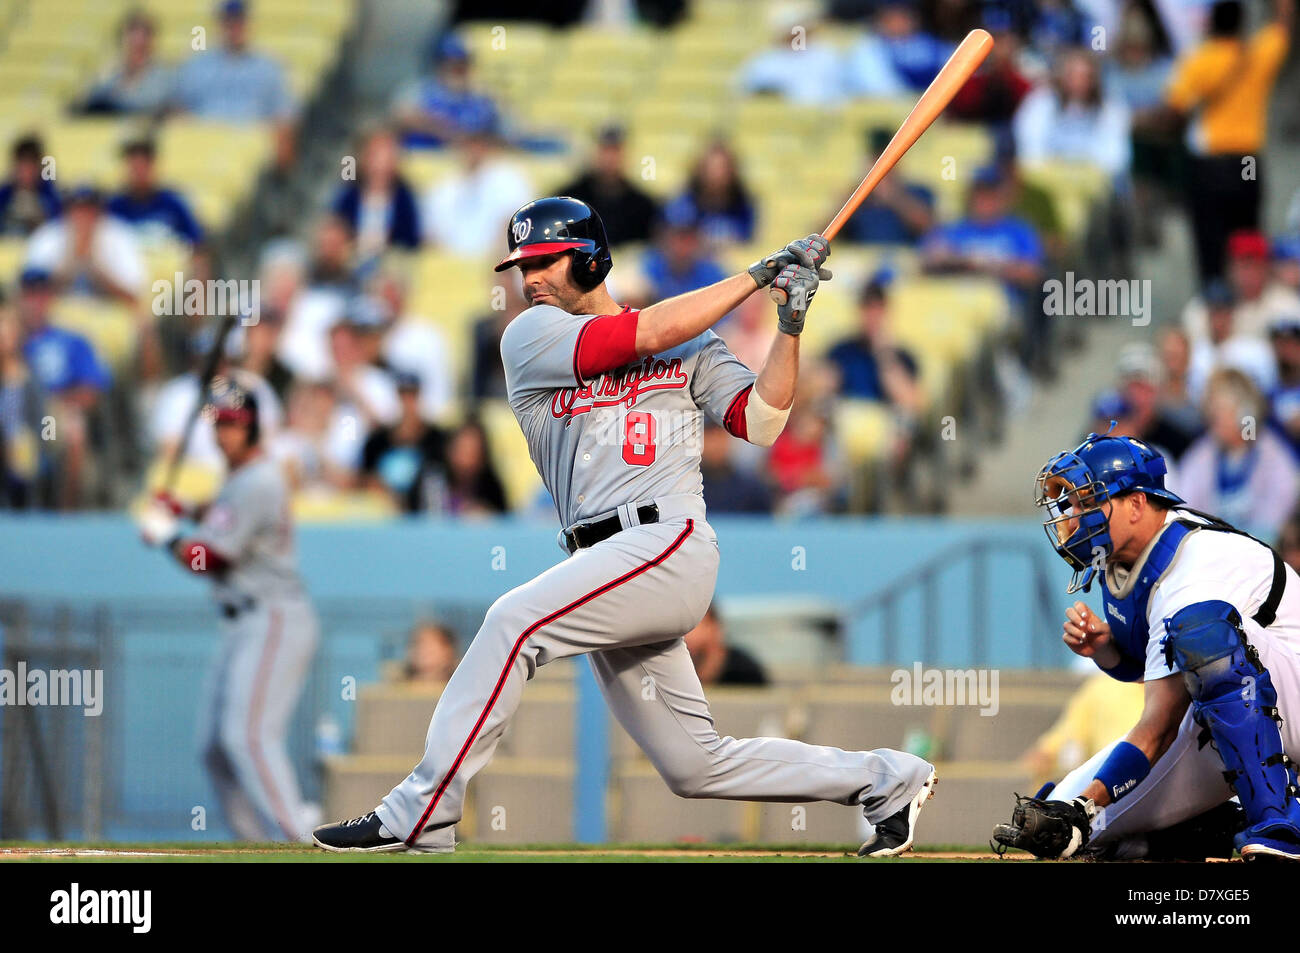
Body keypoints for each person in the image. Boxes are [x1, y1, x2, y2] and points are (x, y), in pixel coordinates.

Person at [312, 196, 936, 855]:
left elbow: (763, 420)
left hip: (666, 544)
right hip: (606, 563)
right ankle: (887, 778)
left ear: (589, 257)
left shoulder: (690, 340)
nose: (529, 279)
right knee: (697, 765)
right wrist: (755, 274)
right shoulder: (530, 335)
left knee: (512, 621)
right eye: (522, 266)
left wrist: (789, 324)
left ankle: (422, 808)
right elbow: (636, 337)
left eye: (543, 261)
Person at [993, 430, 1300, 861]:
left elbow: (1157, 726)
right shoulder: (1127, 563)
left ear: (1137, 503)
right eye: (1073, 503)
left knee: (1201, 632)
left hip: (1289, 692)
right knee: (1067, 821)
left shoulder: (1192, 563)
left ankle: (1281, 821)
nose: (1074, 515)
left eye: (1089, 500)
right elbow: (1160, 675)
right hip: (1242, 710)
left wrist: (1091, 803)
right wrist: (1109, 651)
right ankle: (1214, 824)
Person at [135, 383, 320, 843]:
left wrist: (165, 534)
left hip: (273, 616)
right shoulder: (241, 479)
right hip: (243, 620)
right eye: (219, 424)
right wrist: (181, 508)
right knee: (216, 749)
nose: (225, 434)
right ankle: (254, 845)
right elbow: (220, 510)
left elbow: (209, 559)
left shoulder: (262, 478)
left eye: (234, 425)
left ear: (253, 426)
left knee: (249, 737)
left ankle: (298, 839)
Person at [1160, 0, 1293, 283]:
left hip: (1210, 163)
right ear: (1241, 24)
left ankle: (1216, 299)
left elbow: (1174, 112)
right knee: (1247, 239)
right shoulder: (1256, 54)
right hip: (1247, 162)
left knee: (1211, 240)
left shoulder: (1199, 60)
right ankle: (1250, 292)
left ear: (1210, 25)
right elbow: (1283, 26)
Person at [17, 267, 109, 508]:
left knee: (73, 429)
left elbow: (91, 391)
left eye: (41, 295)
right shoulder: (12, 339)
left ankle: (65, 512)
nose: (34, 302)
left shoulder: (72, 341)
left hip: (52, 417)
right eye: (29, 295)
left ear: (50, 299)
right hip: (15, 412)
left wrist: (57, 403)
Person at [1179, 368, 1300, 539]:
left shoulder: (1271, 453)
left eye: (1220, 411)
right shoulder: (1201, 454)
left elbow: (1280, 505)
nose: (1213, 419)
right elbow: (1186, 506)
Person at [1012, 46, 1132, 181]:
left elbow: (1115, 156)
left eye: (1084, 76)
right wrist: (1054, 172)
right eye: (1072, 75)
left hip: (1092, 178)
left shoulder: (1110, 107)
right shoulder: (1041, 101)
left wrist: (1080, 174)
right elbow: (1030, 146)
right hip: (1048, 175)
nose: (1077, 82)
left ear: (1094, 79)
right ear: (1061, 76)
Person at [24, 185, 145, 305]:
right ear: (68, 211)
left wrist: (94, 265)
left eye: (89, 210)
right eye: (78, 210)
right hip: (57, 318)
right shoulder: (49, 235)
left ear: (100, 212)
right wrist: (70, 261)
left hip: (104, 318)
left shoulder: (118, 235)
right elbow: (29, 293)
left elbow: (134, 296)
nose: (83, 217)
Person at [419, 131, 531, 255]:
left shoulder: (509, 178)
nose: (472, 151)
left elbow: (518, 226)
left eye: (477, 144)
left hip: (497, 262)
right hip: (451, 264)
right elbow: (430, 235)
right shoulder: (444, 186)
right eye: (467, 144)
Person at [1182, 230, 1300, 344]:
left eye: (1255, 266)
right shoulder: (1205, 307)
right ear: (1229, 268)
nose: (1248, 274)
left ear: (1268, 268)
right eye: (1242, 266)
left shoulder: (1288, 305)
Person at [391, 33, 502, 148]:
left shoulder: (482, 97)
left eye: (462, 63)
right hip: (421, 159)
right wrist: (445, 130)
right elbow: (399, 119)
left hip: (467, 162)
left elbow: (505, 131)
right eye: (451, 63)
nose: (457, 68)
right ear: (439, 64)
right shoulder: (418, 91)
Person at [825, 278, 922, 410]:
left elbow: (910, 402)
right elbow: (822, 390)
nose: (872, 317)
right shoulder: (842, 351)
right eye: (867, 309)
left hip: (887, 424)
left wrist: (885, 356)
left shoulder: (903, 356)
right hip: (847, 420)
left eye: (878, 310)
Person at [555, 126, 660, 248]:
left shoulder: (644, 206)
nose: (609, 158)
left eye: (615, 150)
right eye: (605, 150)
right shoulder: (567, 200)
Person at [330, 124, 422, 260]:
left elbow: (411, 242)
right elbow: (337, 230)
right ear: (365, 158)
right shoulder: (349, 195)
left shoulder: (405, 198)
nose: (381, 162)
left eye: (388, 155)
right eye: (377, 155)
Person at [360, 372, 446, 513]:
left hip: (424, 511)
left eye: (412, 395)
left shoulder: (437, 439)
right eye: (403, 395)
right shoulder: (376, 441)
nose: (408, 402)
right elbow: (365, 478)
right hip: (384, 512)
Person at [836, 129, 935, 246]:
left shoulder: (918, 192)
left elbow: (931, 230)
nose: (881, 166)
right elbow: (822, 237)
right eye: (876, 160)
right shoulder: (854, 196)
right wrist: (852, 199)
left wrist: (893, 195)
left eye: (887, 159)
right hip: (862, 259)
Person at [106, 137, 205, 250]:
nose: (139, 174)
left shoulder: (174, 204)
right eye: (134, 168)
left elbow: (197, 245)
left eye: (143, 167)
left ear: (153, 167)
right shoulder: (113, 208)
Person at [81, 8, 171, 116]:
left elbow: (151, 104)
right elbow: (90, 99)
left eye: (144, 35)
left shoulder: (163, 76)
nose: (138, 41)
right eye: (132, 34)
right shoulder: (110, 72)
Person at [0, 300, 47, 508]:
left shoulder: (31, 379)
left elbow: (44, 420)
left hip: (24, 447)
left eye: (6, 327)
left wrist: (36, 440)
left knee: (22, 448)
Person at [639, 199, 729, 303]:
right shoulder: (648, 267)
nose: (681, 246)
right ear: (663, 236)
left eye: (688, 237)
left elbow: (727, 314)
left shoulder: (711, 272)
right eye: (676, 236)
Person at [674, 141, 755, 245]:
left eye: (722, 168)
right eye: (712, 168)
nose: (717, 175)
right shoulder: (683, 206)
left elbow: (751, 245)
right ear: (701, 170)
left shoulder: (745, 207)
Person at [683, 602, 767, 686]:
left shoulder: (745, 671)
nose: (685, 633)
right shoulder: (678, 667)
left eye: (693, 625)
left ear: (714, 627)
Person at [700, 421, 772, 515]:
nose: (715, 444)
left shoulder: (750, 489)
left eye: (720, 436)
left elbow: (766, 524)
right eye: (710, 436)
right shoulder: (685, 488)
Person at [0, 135, 61, 237]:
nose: (26, 173)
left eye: (31, 168)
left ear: (40, 167)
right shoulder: (5, 194)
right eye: (22, 168)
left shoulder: (50, 195)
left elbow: (57, 224)